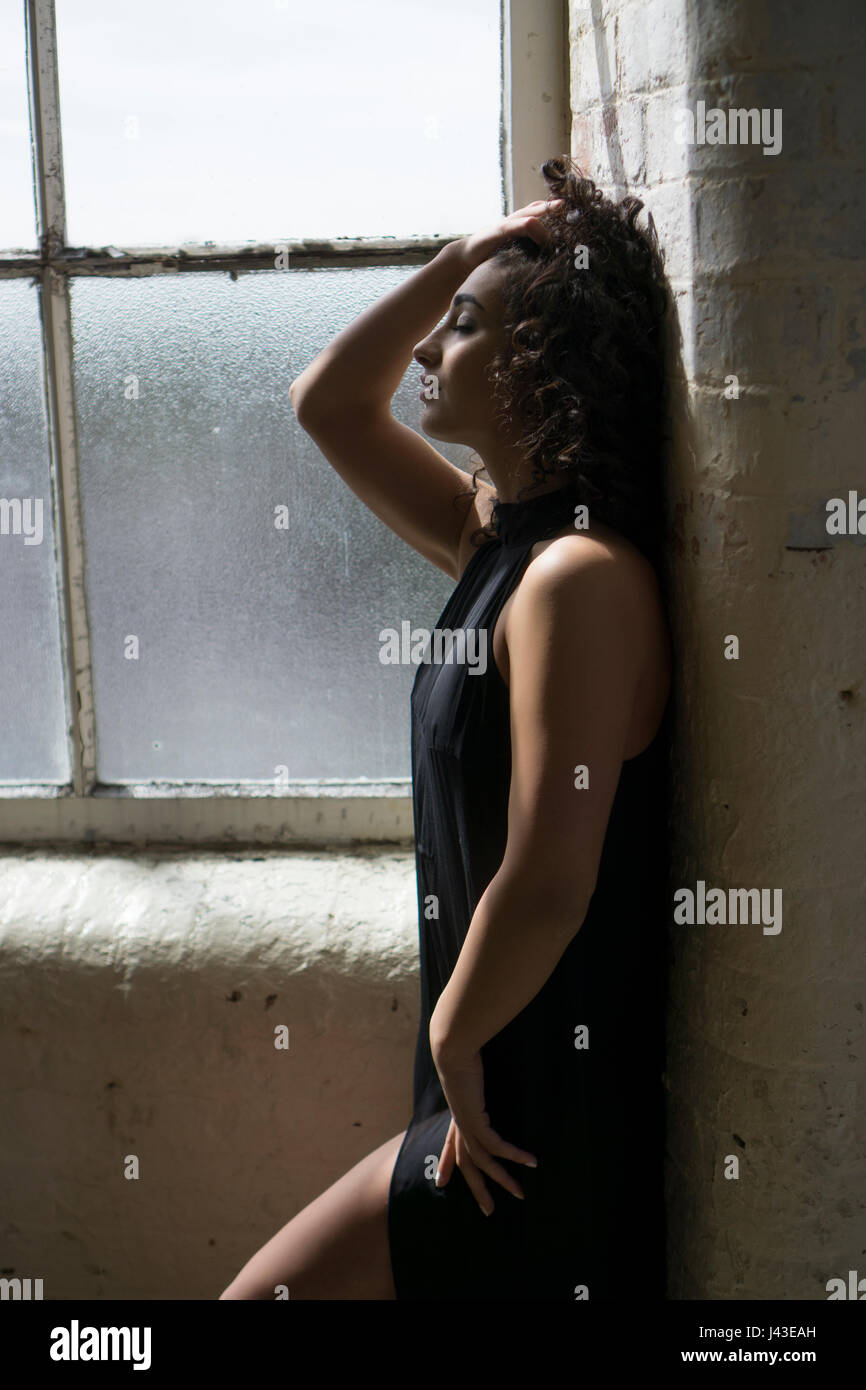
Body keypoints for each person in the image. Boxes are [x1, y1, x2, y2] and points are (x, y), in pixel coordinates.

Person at [219, 155, 673, 1301]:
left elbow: (550, 875)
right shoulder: (497, 544)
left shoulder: (575, 578)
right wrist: (454, 264)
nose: (426, 348)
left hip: (523, 1121)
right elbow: (326, 400)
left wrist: (452, 1038)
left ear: (532, 364)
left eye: (459, 329)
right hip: (486, 1094)